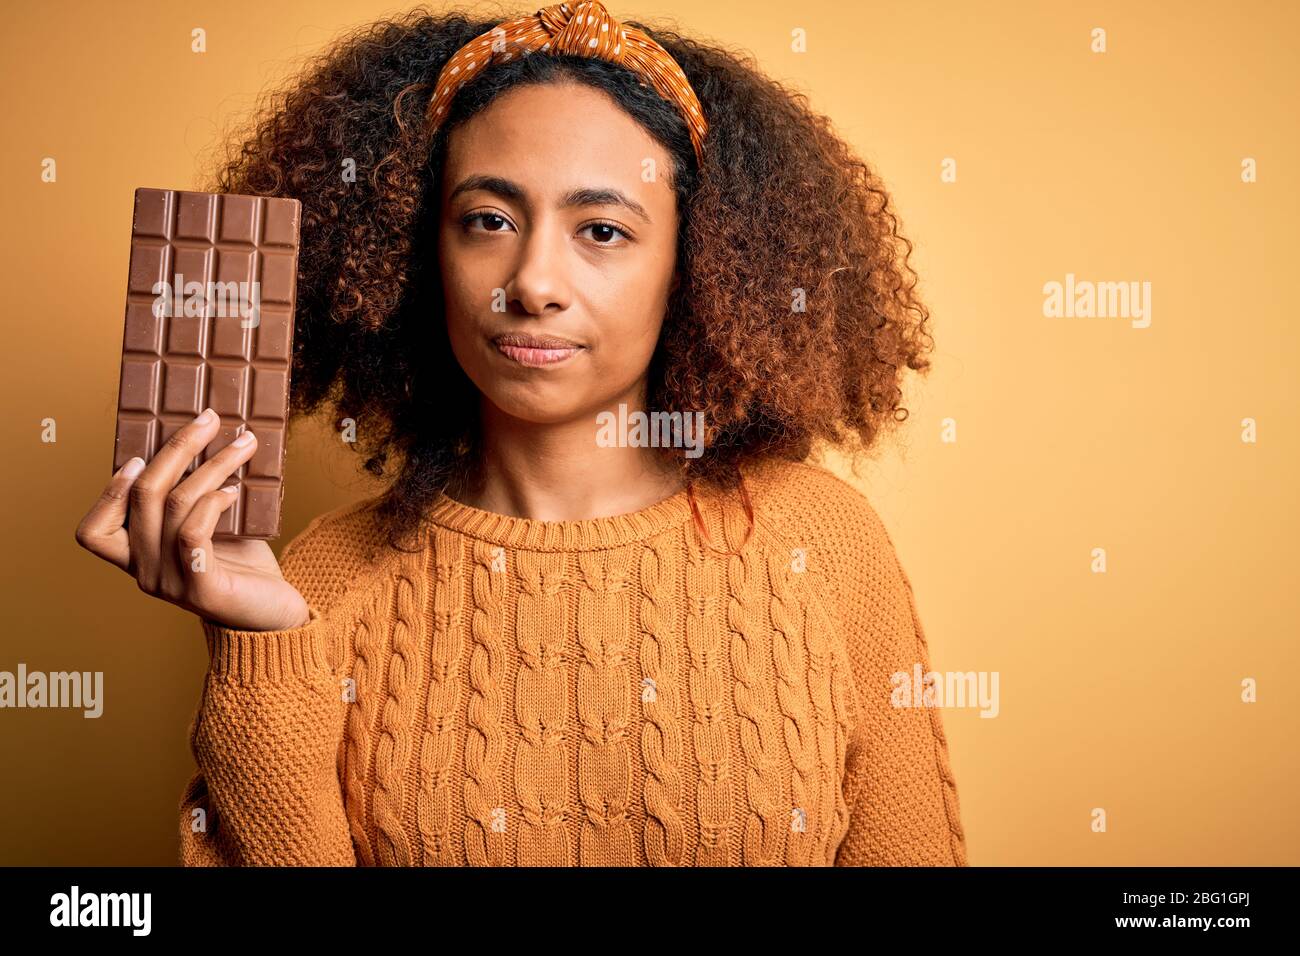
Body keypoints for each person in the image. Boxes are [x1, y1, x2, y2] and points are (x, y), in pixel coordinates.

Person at [75, 1, 967, 866]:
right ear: (418, 250)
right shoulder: (315, 588)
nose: (533, 280)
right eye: (489, 221)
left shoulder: (825, 545)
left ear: (695, 265)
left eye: (604, 230)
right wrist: (258, 647)